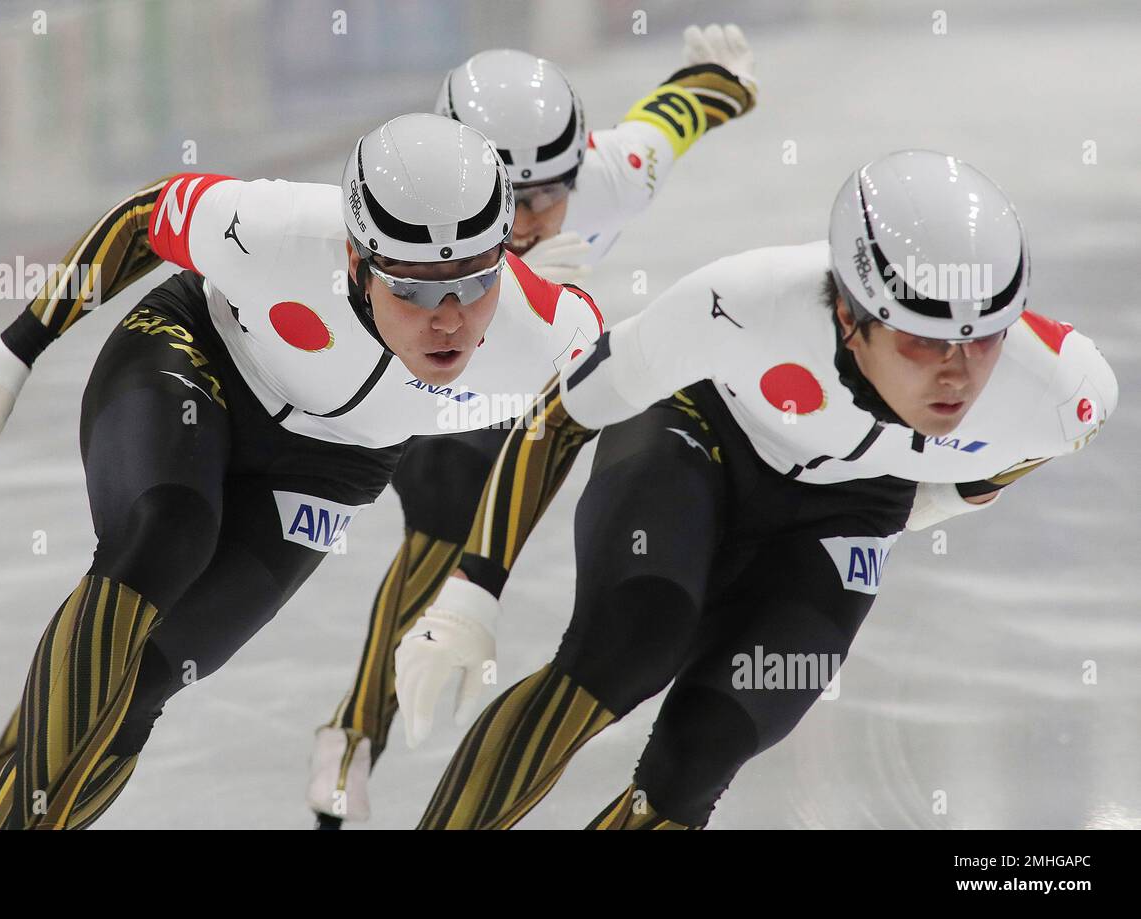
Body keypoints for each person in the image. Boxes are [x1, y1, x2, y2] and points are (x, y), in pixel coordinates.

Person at [0, 112, 604, 829]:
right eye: (412, 287)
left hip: (335, 463)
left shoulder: (539, 333)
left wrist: (477, 585)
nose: (447, 317)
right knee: (169, 530)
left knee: (150, 678)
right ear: (355, 260)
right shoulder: (276, 230)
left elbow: (614, 401)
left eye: (473, 282)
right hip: (197, 356)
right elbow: (143, 217)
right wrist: (7, 358)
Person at [393, 150, 1120, 829]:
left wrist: (938, 500)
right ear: (849, 315)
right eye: (922, 340)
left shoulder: (1061, 392)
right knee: (632, 641)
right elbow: (565, 413)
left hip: (852, 507)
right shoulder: (742, 303)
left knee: (704, 750)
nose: (957, 375)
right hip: (696, 435)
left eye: (983, 337)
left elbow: (1009, 456)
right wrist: (472, 588)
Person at [310, 23, 758, 827]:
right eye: (504, 198)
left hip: (528, 371)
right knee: (447, 514)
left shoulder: (614, 177)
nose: (522, 218)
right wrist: (503, 283)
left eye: (546, 195)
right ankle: (351, 732)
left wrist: (717, 80)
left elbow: (670, 121)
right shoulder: (413, 194)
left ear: (576, 170)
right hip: (423, 364)